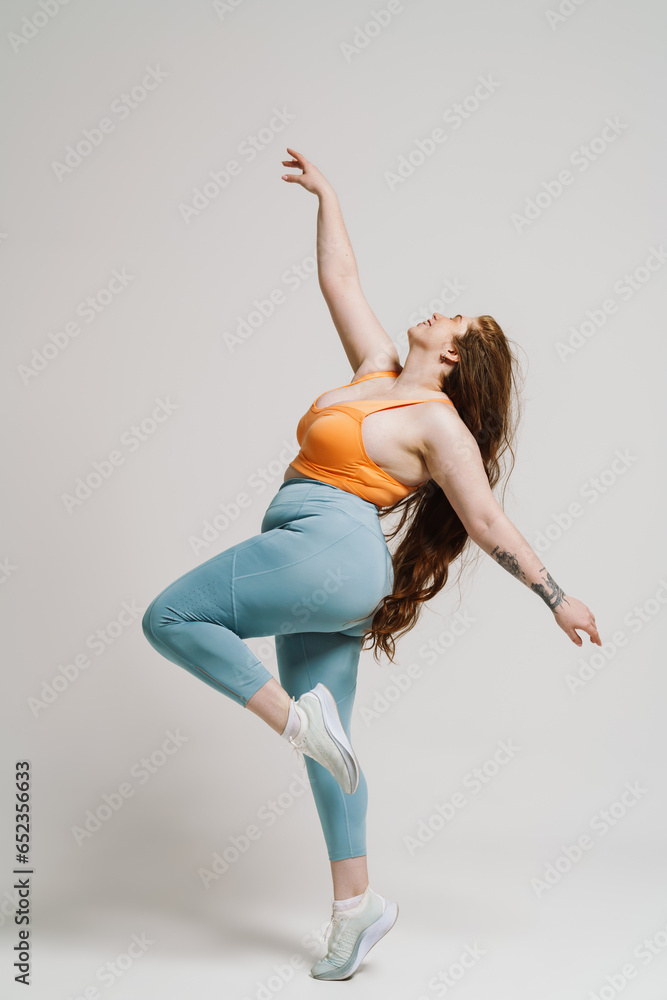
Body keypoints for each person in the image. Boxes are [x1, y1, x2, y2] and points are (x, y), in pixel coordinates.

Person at [141, 147, 601, 981]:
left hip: (327, 552)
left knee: (170, 617)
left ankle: (293, 721)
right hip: (333, 577)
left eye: (452, 319)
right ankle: (354, 908)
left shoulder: (437, 425)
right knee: (334, 749)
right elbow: (341, 281)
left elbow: (485, 520)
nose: (437, 311)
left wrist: (555, 597)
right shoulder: (376, 370)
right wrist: (326, 195)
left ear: (454, 356)